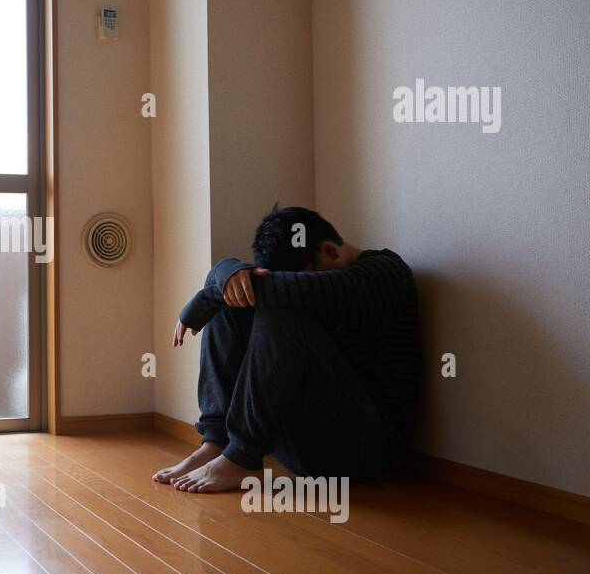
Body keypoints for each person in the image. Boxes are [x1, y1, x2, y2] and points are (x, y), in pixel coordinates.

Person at [154, 205, 421, 493]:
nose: (298, 282)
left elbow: (285, 291)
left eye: (304, 276)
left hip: (365, 450)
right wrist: (225, 274)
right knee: (232, 304)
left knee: (277, 308)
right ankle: (217, 444)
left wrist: (209, 293)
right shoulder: (330, 267)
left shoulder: (383, 274)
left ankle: (242, 457)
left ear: (330, 251)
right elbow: (246, 286)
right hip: (303, 442)